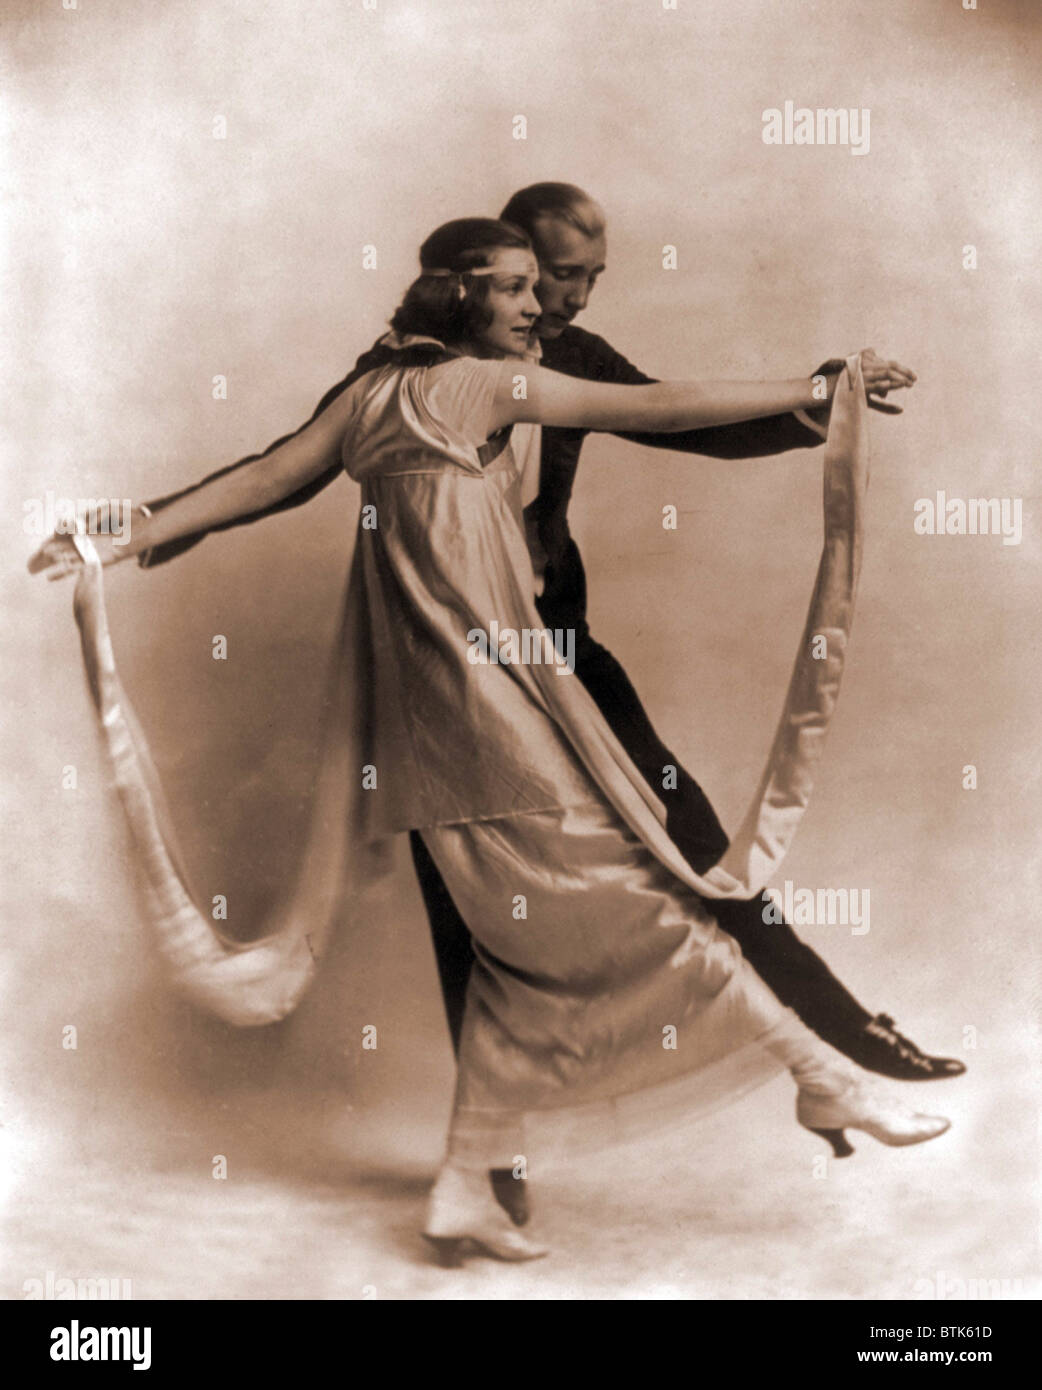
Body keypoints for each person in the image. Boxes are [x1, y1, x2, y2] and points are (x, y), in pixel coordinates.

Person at [31, 217, 950, 1265]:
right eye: (515, 290)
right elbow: (654, 405)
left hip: (435, 735)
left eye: (534, 287)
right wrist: (814, 387)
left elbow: (264, 480)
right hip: (484, 721)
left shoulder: (364, 397)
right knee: (647, 907)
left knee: (517, 970)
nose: (536, 310)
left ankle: (466, 1183)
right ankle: (827, 1082)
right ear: (461, 295)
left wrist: (119, 530)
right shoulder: (472, 389)